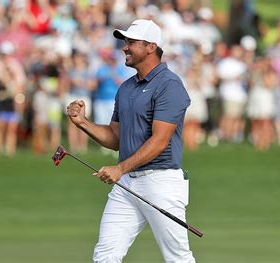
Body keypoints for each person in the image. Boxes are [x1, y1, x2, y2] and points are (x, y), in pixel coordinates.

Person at [66, 19, 195, 262]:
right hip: (127, 185)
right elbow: (115, 138)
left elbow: (160, 141)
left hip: (161, 182)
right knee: (105, 255)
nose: (124, 48)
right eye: (125, 42)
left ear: (151, 47)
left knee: (177, 257)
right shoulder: (126, 87)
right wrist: (83, 123)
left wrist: (120, 168)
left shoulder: (170, 85)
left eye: (131, 42)